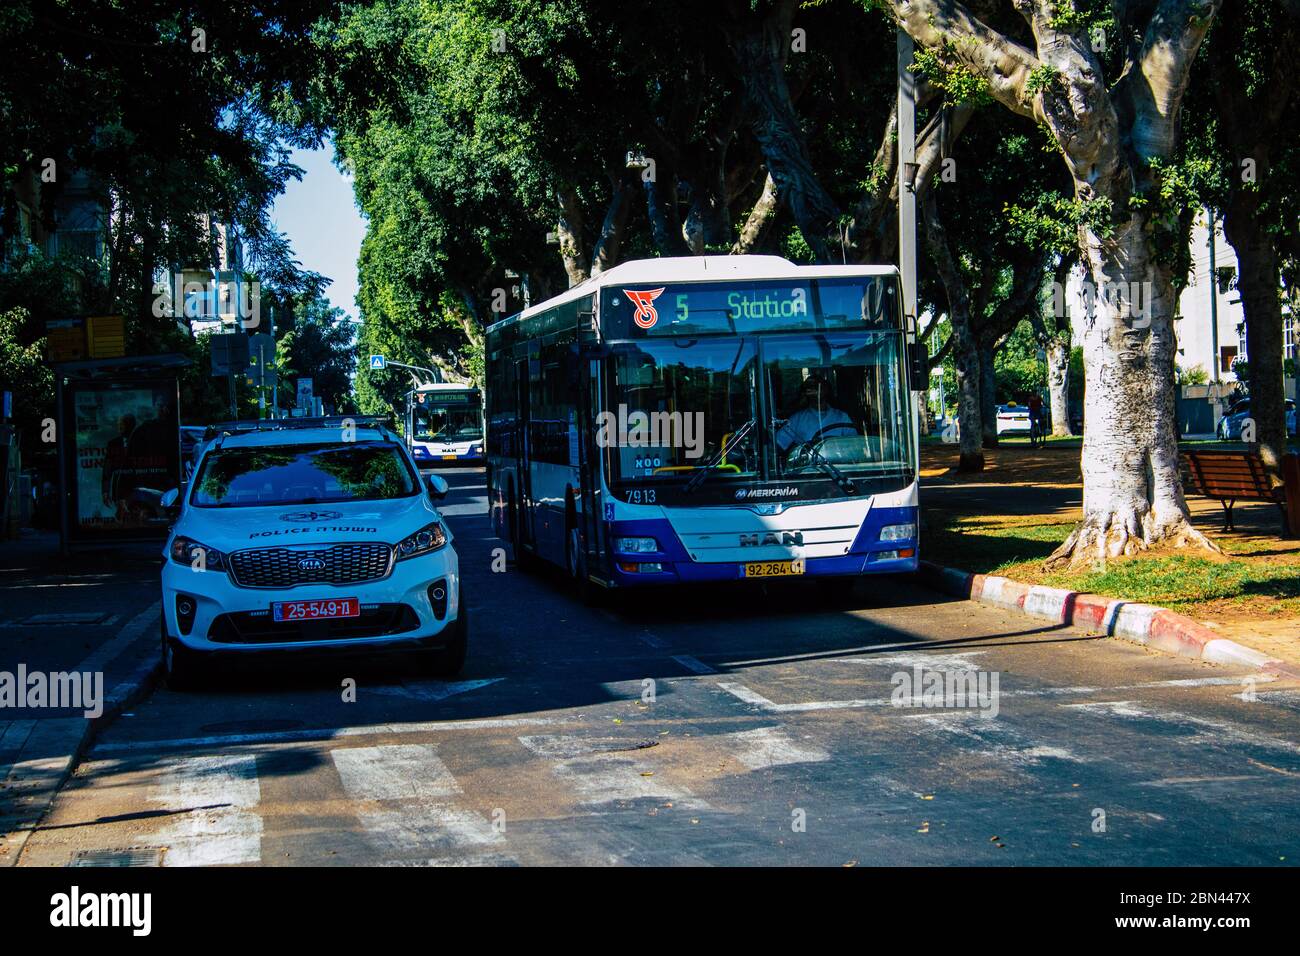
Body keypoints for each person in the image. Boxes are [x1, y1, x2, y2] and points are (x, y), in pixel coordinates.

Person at [775, 374, 856, 454]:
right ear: (806, 393)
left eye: (818, 387)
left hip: (837, 465)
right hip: (808, 465)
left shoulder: (842, 417)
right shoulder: (797, 419)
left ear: (826, 390)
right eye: (810, 388)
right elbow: (778, 445)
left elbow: (854, 445)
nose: (815, 391)